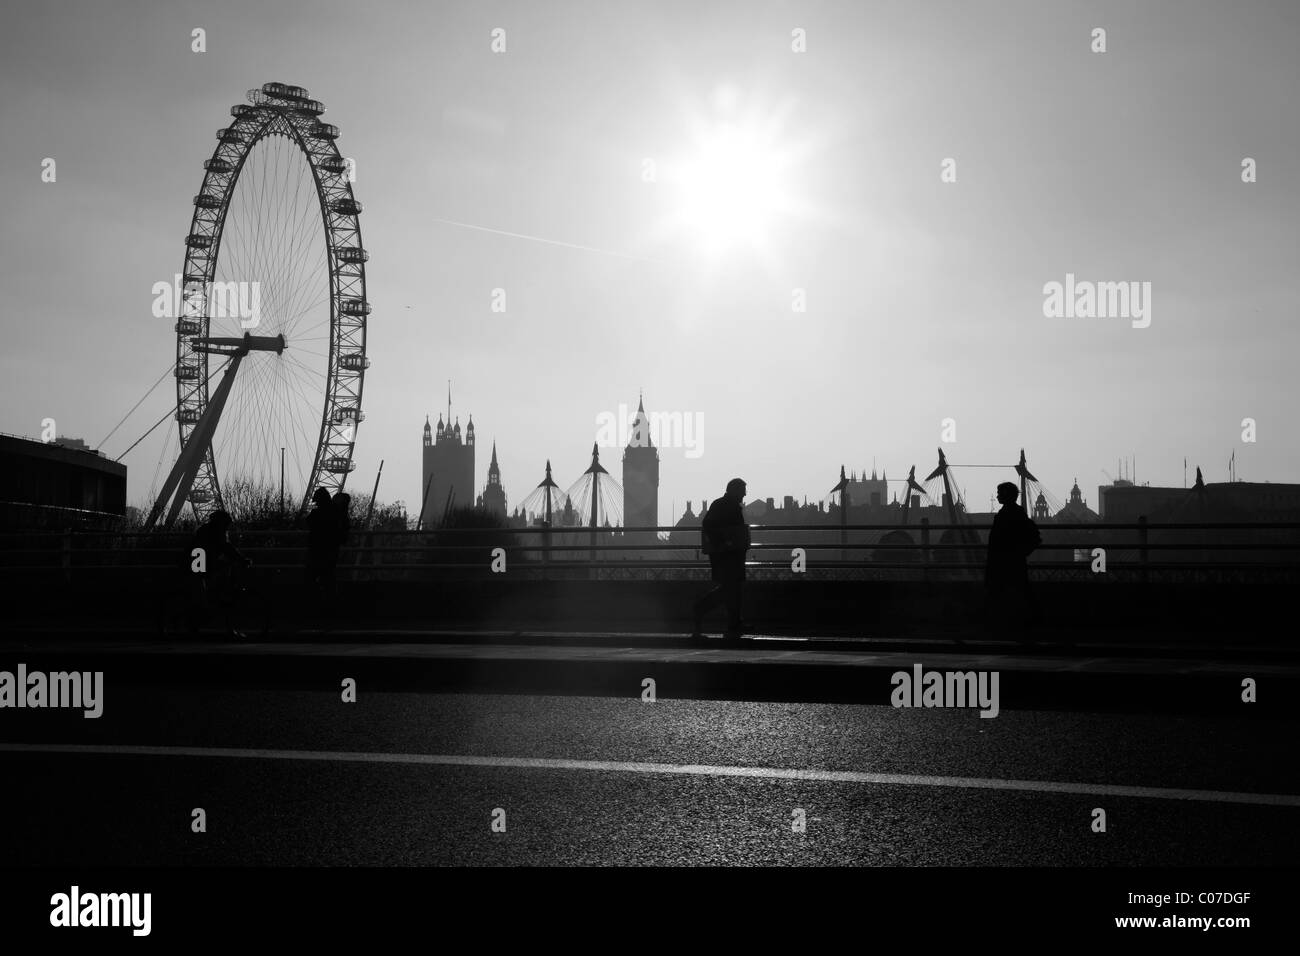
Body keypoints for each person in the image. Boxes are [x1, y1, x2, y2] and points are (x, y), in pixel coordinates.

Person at [691, 478, 751, 644]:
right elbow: (708, 525)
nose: (745, 494)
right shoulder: (722, 505)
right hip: (725, 556)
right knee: (729, 589)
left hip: (733, 555)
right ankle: (700, 609)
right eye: (742, 491)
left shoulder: (728, 505)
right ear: (734, 490)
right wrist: (723, 542)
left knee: (734, 589)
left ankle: (735, 623)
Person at [985, 482, 1042, 638]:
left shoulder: (1010, 515)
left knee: (1009, 596)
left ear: (1007, 495)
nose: (997, 496)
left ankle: (1012, 628)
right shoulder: (1016, 513)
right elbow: (1035, 537)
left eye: (999, 493)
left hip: (1005, 564)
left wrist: (1017, 553)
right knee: (1015, 595)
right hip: (1011, 563)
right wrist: (1021, 553)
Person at [189, 510, 251, 637]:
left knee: (216, 585)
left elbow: (223, 548)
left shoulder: (208, 529)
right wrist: (241, 559)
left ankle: (205, 614)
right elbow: (226, 547)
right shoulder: (216, 531)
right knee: (218, 589)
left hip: (198, 560)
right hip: (199, 562)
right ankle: (204, 615)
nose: (227, 527)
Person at [306, 487, 339, 589]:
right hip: (330, 547)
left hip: (317, 547)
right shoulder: (333, 510)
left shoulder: (317, 512)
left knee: (314, 572)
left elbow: (309, 522)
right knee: (328, 573)